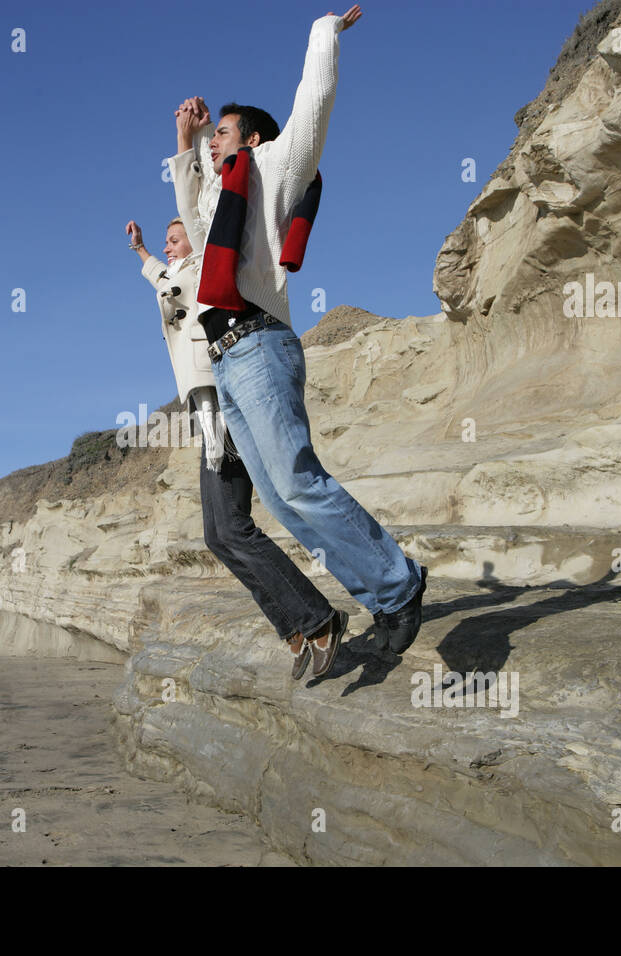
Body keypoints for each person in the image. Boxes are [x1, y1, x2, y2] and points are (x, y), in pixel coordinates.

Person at [165, 5, 427, 678]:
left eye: (221, 132)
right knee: (280, 499)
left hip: (259, 346)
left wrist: (324, 31)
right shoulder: (224, 190)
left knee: (298, 484)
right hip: (226, 361)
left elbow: (312, 104)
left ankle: (399, 588)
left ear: (249, 137)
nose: (212, 140)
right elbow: (194, 227)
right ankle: (381, 595)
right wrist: (184, 141)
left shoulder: (273, 167)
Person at [125, 215, 347, 679]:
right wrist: (142, 252)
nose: (168, 247)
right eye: (166, 241)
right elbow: (162, 278)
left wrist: (188, 150)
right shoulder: (172, 273)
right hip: (206, 413)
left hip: (226, 403)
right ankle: (293, 627)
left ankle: (319, 618)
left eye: (174, 238)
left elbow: (178, 282)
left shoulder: (201, 268)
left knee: (234, 527)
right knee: (218, 533)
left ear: (196, 238)